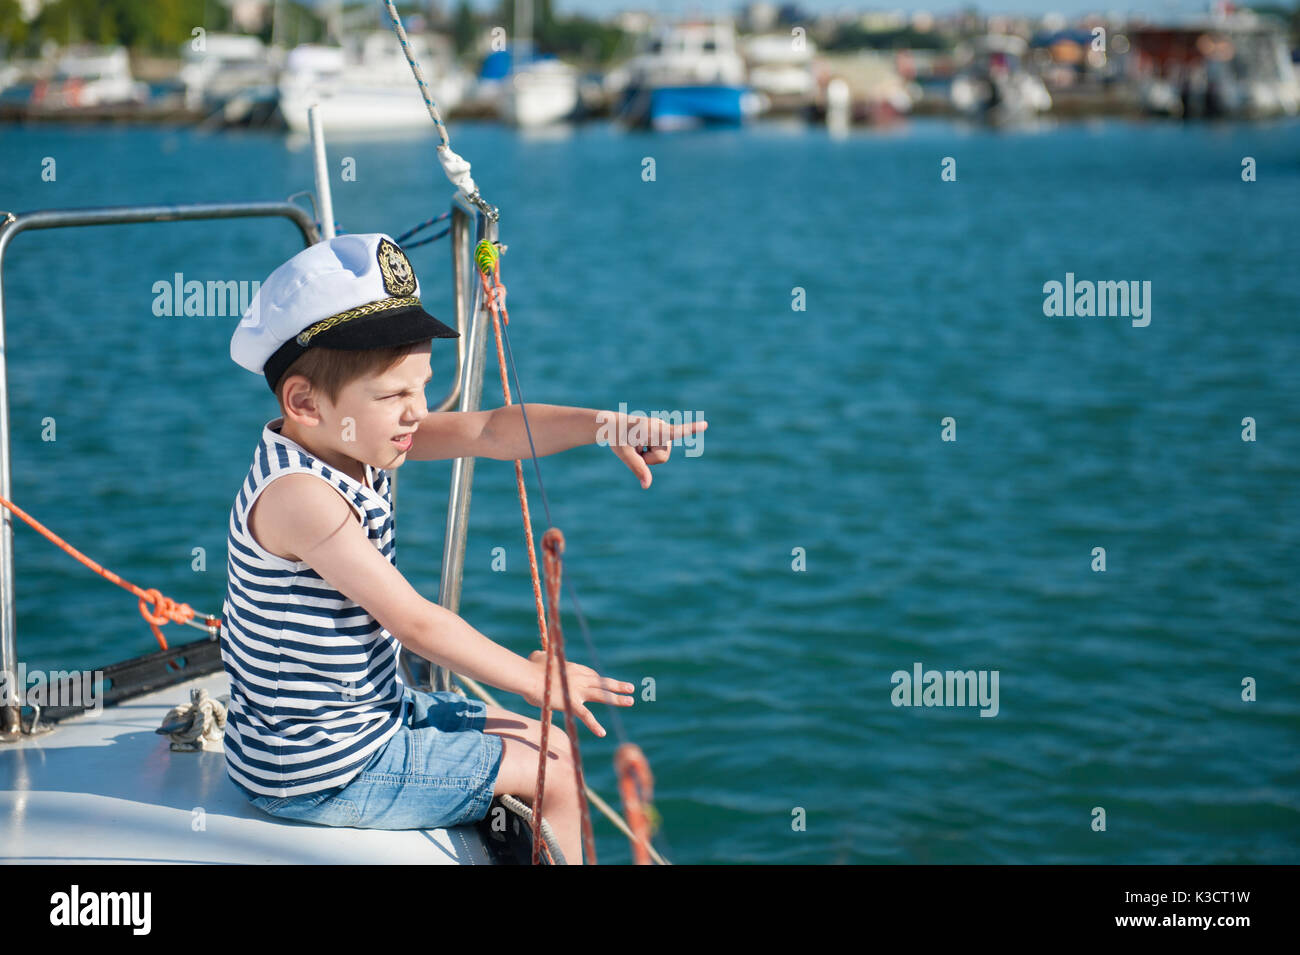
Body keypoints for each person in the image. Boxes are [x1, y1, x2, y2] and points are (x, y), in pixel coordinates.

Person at [221, 233, 707, 864]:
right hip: (315, 768)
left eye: (422, 387)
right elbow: (416, 622)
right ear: (305, 403)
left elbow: (490, 429)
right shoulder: (299, 497)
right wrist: (535, 678)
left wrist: (603, 425)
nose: (416, 413)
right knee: (554, 778)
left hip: (363, 719)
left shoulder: (354, 440)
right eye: (395, 395)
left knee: (550, 745)